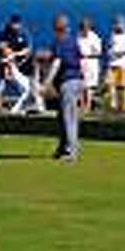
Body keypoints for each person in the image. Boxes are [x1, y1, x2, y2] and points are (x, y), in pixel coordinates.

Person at [46, 14, 85, 162]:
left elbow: (57, 63)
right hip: (76, 81)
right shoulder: (73, 41)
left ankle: (71, 151)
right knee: (63, 117)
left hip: (68, 82)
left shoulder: (60, 42)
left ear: (56, 28)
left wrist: (46, 83)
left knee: (69, 117)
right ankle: (63, 148)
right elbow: (80, 61)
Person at [76, 18, 103, 114]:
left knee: (89, 86)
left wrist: (87, 55)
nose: (84, 29)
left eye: (85, 27)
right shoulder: (78, 36)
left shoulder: (94, 38)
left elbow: (98, 52)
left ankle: (88, 106)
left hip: (91, 62)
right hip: (81, 62)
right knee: (81, 85)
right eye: (82, 27)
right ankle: (81, 105)